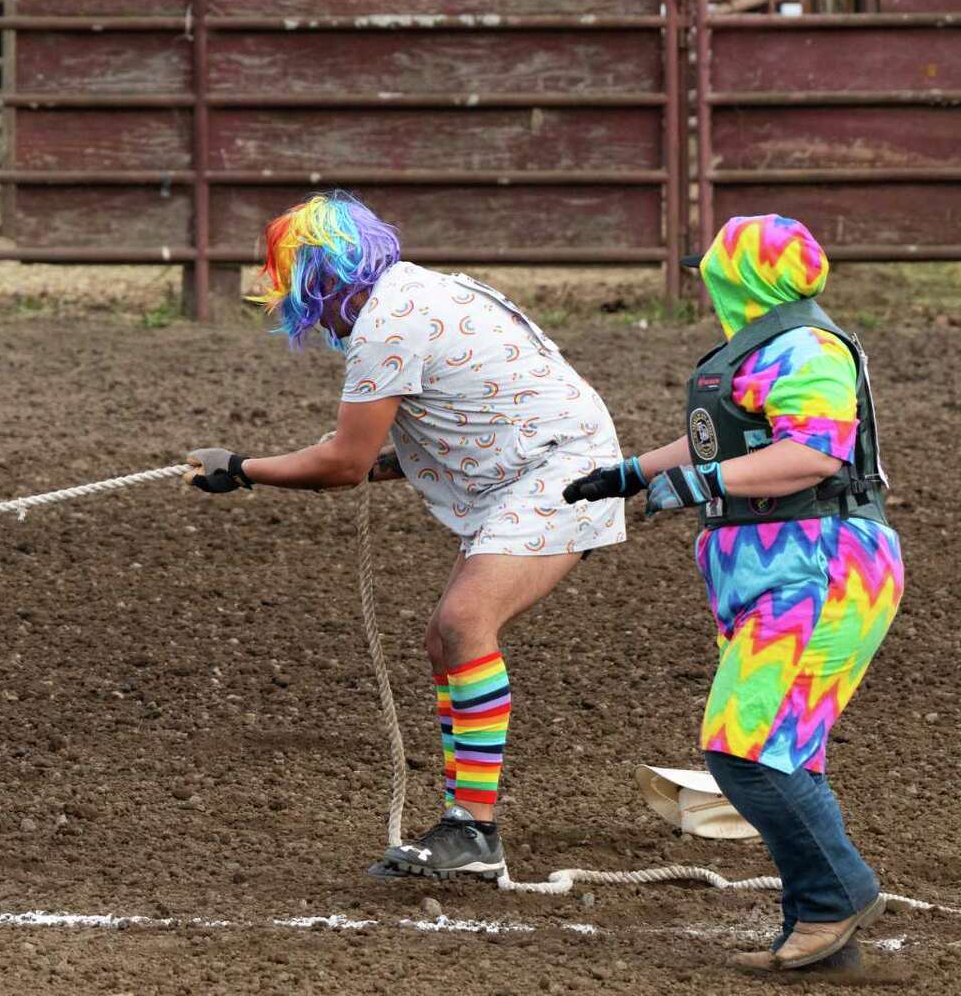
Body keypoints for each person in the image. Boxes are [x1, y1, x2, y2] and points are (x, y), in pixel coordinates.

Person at [186, 192, 626, 878]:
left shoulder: (386, 327)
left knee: (463, 621)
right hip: (542, 461)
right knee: (445, 637)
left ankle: (472, 829)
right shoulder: (416, 291)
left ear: (322, 280)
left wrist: (240, 469)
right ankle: (467, 824)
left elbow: (343, 463)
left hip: (560, 469)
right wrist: (335, 460)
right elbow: (428, 430)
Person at [564, 214, 902, 972]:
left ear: (744, 279)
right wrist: (633, 472)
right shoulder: (763, 350)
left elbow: (814, 451)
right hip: (780, 567)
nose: (705, 282)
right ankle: (821, 940)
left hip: (821, 563)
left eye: (714, 271)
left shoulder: (808, 348)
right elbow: (728, 437)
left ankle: (834, 897)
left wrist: (698, 485)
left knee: (746, 749)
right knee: (777, 751)